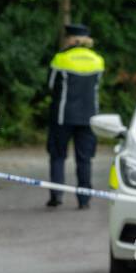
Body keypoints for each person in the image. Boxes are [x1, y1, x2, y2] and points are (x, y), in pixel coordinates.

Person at [46, 23, 105, 209]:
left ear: (70, 39)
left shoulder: (60, 59)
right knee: (84, 159)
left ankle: (56, 195)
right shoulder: (98, 60)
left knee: (57, 156)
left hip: (63, 116)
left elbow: (51, 86)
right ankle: (84, 199)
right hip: (89, 117)